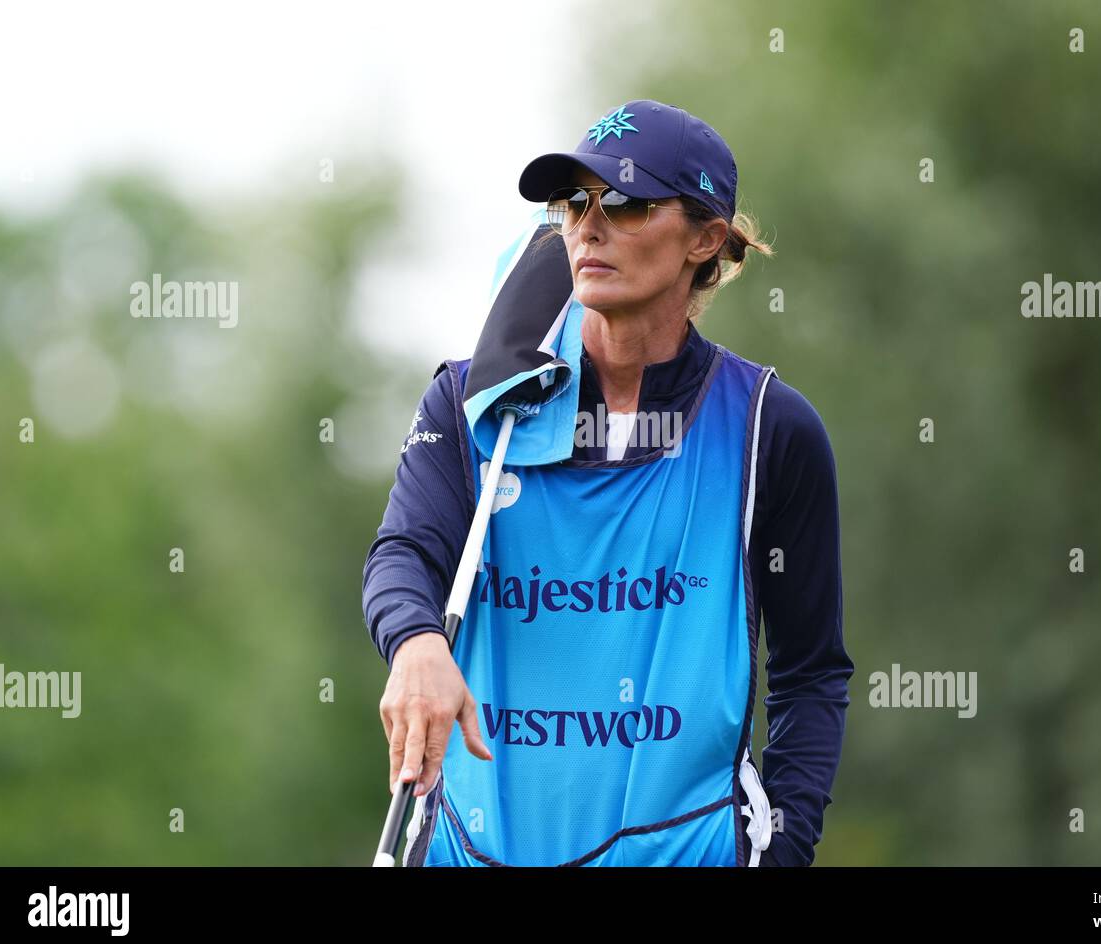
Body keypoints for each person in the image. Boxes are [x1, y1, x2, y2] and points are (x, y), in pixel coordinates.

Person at [362, 99, 853, 866]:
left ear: (705, 237)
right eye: (574, 202)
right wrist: (416, 642)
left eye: (625, 202)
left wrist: (784, 848)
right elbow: (404, 555)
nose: (589, 225)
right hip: (474, 849)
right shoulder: (475, 405)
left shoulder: (770, 428)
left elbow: (811, 671)